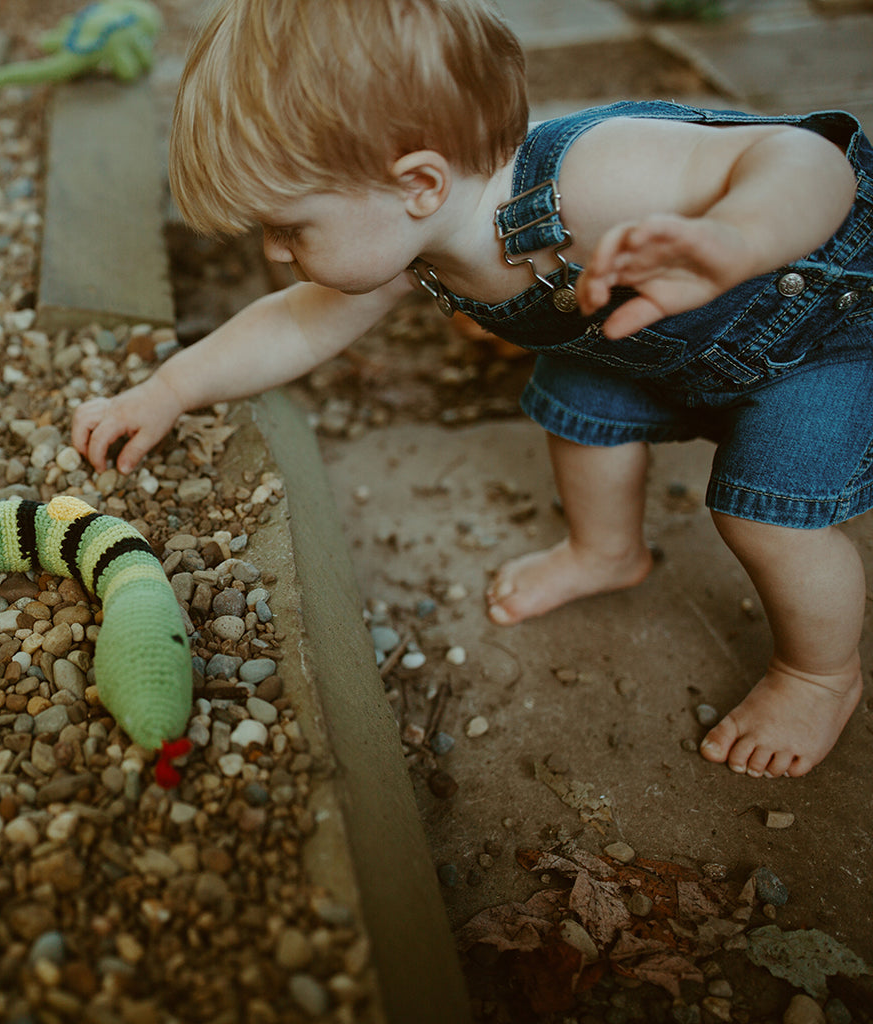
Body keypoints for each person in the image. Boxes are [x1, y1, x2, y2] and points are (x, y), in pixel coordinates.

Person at [72, 0, 872, 780]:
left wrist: (738, 237)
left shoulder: (595, 179)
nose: (278, 255)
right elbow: (296, 324)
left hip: (824, 339)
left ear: (418, 182)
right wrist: (168, 388)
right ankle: (606, 552)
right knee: (580, 408)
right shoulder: (413, 232)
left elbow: (810, 160)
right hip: (658, 348)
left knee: (764, 517)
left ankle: (819, 675)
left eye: (289, 228)